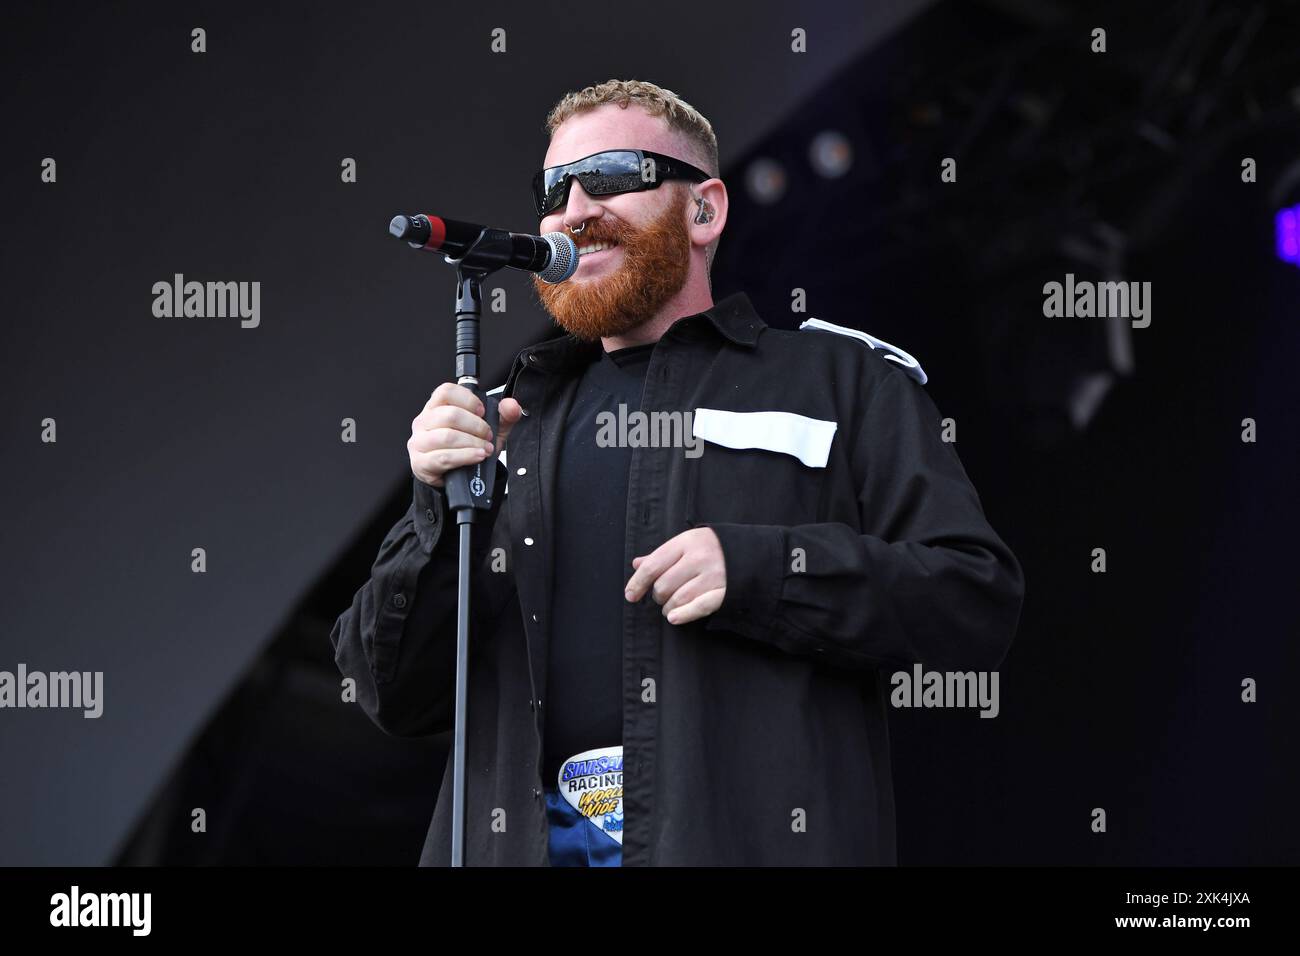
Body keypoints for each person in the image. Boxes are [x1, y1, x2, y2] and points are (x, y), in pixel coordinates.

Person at [330, 78, 1025, 866]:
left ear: (705, 210)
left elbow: (974, 601)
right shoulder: (503, 423)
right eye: (553, 189)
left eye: (617, 175)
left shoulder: (842, 382)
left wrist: (767, 571)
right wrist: (434, 506)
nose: (575, 208)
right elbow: (389, 692)